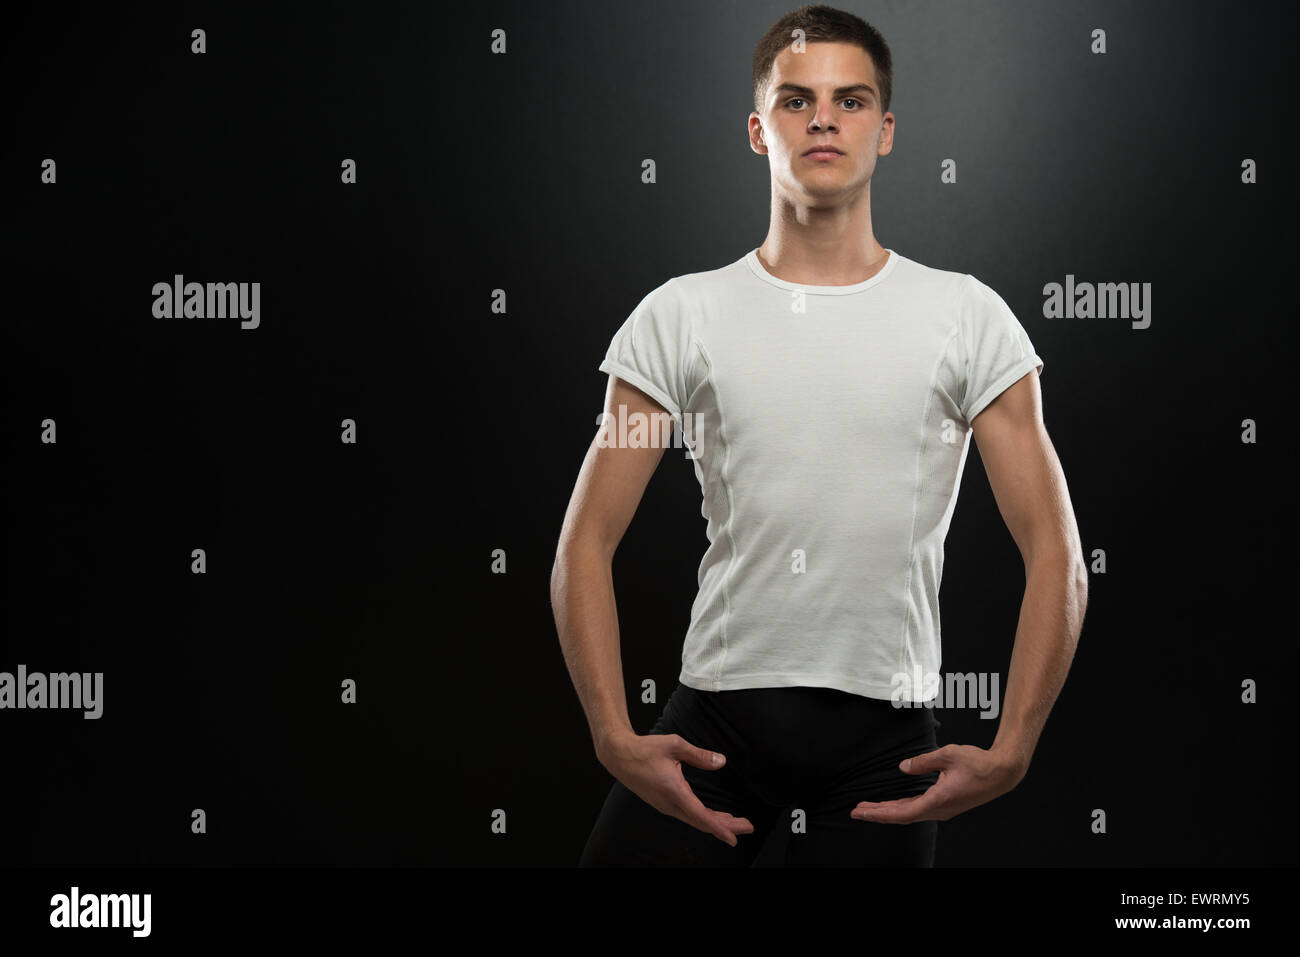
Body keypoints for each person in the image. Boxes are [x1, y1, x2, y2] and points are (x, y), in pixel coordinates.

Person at [551, 4, 1087, 867]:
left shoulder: (967, 316)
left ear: (885, 130)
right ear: (760, 131)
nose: (826, 118)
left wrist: (1015, 744)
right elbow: (585, 541)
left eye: (851, 99)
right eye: (797, 101)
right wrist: (612, 733)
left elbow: (1056, 549)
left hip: (885, 746)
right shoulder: (680, 314)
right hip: (716, 724)